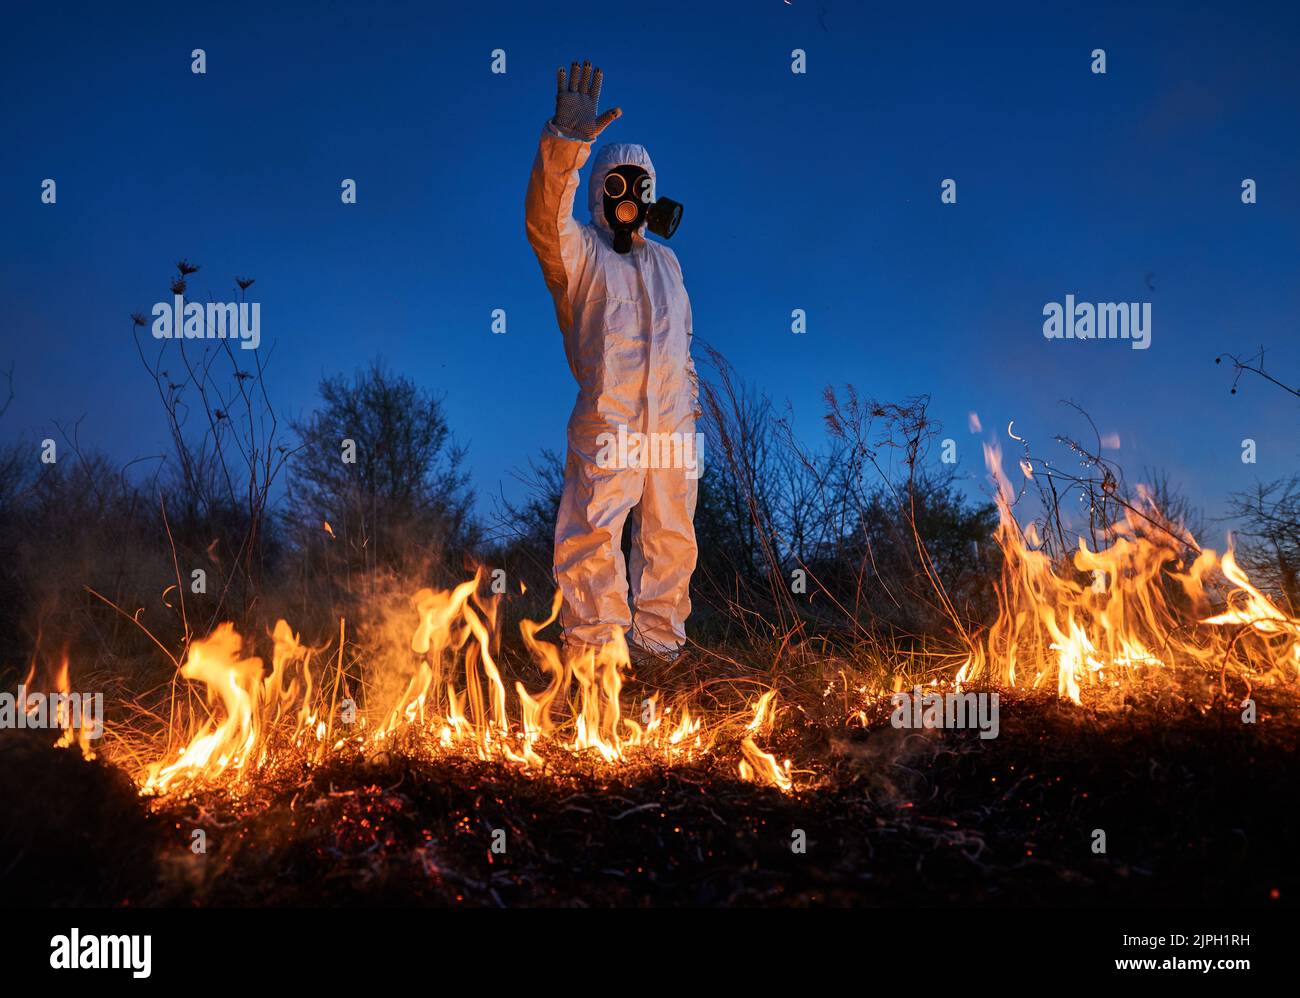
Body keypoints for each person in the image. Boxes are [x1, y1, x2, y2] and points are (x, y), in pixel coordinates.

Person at [525, 59, 699, 663]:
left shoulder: (667, 265)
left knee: (671, 536)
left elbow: (683, 345)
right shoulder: (581, 256)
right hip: (610, 418)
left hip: (673, 422)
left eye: (639, 187)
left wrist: (689, 408)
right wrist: (568, 144)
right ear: (600, 192)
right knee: (593, 532)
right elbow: (546, 222)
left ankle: (659, 650)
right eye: (616, 185)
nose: (628, 198)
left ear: (650, 196)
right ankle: (598, 657)